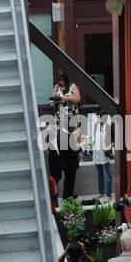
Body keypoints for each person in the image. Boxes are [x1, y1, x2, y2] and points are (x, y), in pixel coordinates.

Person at [49, 71, 82, 199]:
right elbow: (52, 99)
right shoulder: (56, 88)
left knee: (73, 147)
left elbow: (78, 99)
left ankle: (75, 157)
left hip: (72, 120)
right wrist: (57, 99)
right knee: (64, 149)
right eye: (58, 79)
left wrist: (66, 98)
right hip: (61, 121)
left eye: (61, 79)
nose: (59, 81)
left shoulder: (72, 86)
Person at [90, 112, 114, 201]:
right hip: (97, 154)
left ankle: (108, 194)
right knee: (99, 174)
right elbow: (95, 139)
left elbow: (114, 140)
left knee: (108, 175)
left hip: (104, 155)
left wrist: (108, 147)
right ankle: (101, 193)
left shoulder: (108, 127)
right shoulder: (96, 126)